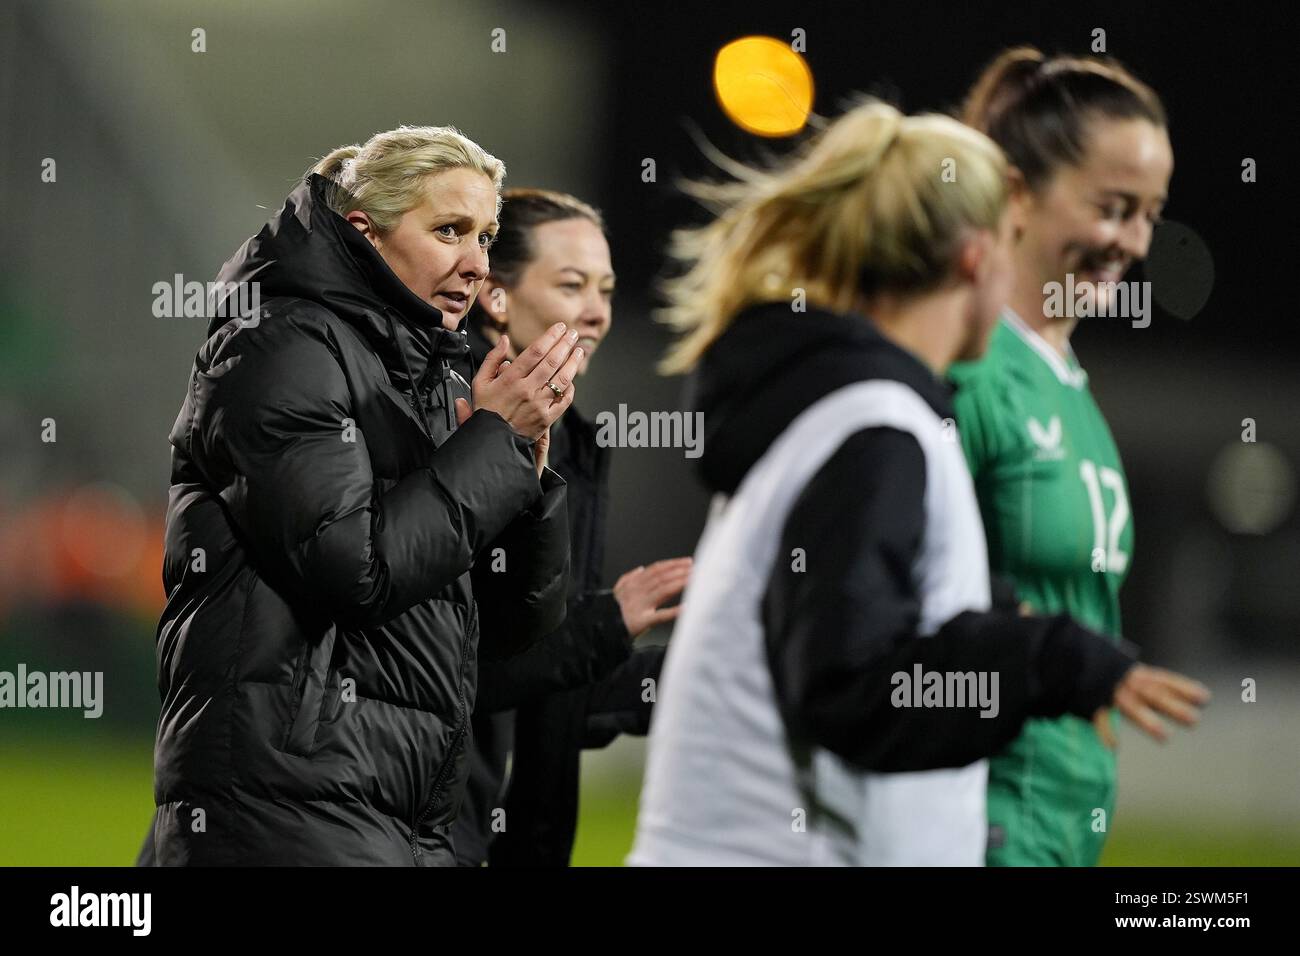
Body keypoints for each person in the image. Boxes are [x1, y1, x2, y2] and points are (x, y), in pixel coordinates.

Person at [628, 99, 1207, 866]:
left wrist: (1049, 650)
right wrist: (1043, 660)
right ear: (975, 257)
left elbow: (874, 624)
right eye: (1008, 241)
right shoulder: (875, 431)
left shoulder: (847, 414)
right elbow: (856, 685)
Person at [148, 126, 580, 865]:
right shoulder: (282, 345)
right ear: (363, 231)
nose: (477, 265)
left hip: (397, 817)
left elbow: (505, 628)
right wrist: (493, 444)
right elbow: (356, 566)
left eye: (486, 237)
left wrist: (525, 473)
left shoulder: (434, 376)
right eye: (449, 231)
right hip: (286, 814)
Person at [950, 47, 1176, 866]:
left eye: (1151, 213)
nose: (1134, 243)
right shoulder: (967, 370)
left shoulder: (1067, 385)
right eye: (1115, 208)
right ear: (1017, 190)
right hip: (978, 809)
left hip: (1061, 819)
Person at [451, 188, 690, 866]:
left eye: (607, 290)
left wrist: (691, 674)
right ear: (496, 296)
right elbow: (453, 665)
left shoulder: (572, 442)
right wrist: (604, 626)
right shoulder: (451, 418)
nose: (597, 312)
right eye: (572, 284)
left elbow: (545, 690)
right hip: (417, 831)